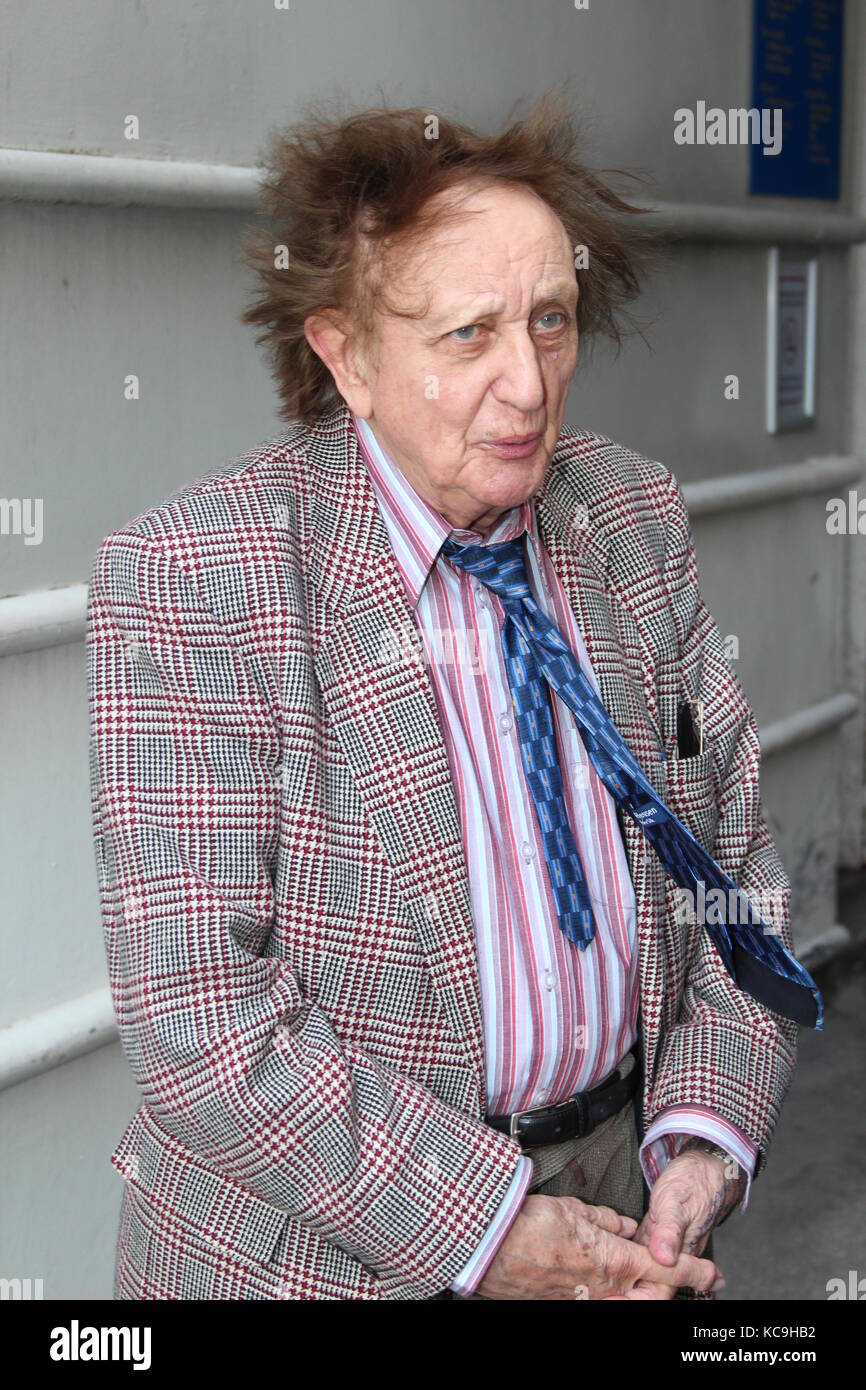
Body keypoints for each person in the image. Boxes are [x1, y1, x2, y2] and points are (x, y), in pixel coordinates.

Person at [85, 93, 819, 1301]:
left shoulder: (630, 520)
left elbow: (733, 875)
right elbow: (197, 1018)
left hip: (620, 1200)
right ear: (346, 355)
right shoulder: (199, 577)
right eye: (467, 335)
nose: (527, 386)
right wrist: (485, 1227)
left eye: (549, 320)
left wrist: (698, 1139)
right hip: (326, 1256)